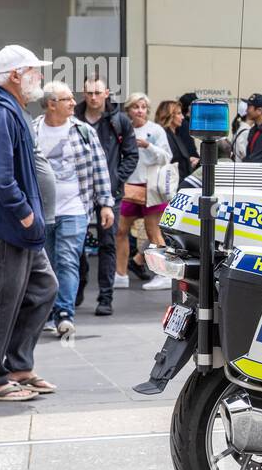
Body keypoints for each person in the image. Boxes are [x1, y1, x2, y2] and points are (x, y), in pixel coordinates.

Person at [0, 45, 59, 402]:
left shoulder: (7, 110)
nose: (41, 77)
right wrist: (24, 213)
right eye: (35, 70)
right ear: (15, 75)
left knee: (44, 287)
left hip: (19, 227)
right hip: (9, 225)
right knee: (2, 300)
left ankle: (19, 366)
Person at [32, 82, 115, 338]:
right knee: (45, 264)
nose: (72, 103)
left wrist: (105, 204)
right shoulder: (32, 130)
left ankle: (64, 314)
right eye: (66, 99)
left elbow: (99, 167)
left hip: (76, 208)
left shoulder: (83, 131)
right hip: (41, 211)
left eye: (71, 98)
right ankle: (46, 312)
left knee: (67, 261)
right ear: (51, 103)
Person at [74, 77, 137, 316]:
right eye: (89, 93)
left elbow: (131, 155)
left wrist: (113, 180)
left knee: (108, 242)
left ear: (107, 93)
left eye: (97, 93)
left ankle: (105, 297)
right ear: (83, 93)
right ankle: (78, 287)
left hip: (110, 193)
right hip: (78, 192)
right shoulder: (74, 118)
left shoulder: (118, 121)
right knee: (75, 242)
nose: (93, 97)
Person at [114, 91, 172, 291]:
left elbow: (167, 157)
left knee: (153, 232)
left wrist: (148, 146)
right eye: (135, 107)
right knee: (120, 230)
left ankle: (163, 274)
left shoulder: (155, 130)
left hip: (151, 186)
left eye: (143, 107)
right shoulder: (124, 129)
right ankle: (120, 274)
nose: (140, 111)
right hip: (129, 186)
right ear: (128, 110)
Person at [156, 99, 196, 179]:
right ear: (170, 115)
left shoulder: (175, 134)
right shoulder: (164, 135)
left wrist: (188, 160)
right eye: (179, 113)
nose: (182, 117)